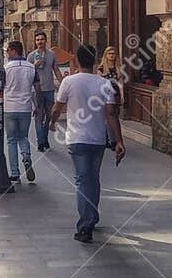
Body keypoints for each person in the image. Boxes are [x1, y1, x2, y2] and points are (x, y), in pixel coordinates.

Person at [51, 43, 124, 242]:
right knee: (93, 178)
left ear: (78, 60)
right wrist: (118, 141)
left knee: (83, 180)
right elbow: (111, 114)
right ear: (94, 60)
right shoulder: (104, 84)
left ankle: (85, 226)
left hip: (76, 139)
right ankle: (92, 216)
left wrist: (51, 122)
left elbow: (58, 108)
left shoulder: (69, 82)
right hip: (97, 139)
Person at [2, 39, 37, 184]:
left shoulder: (7, 68)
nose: (7, 53)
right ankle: (27, 157)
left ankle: (15, 172)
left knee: (11, 140)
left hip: (10, 107)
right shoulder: (31, 68)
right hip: (25, 107)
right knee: (23, 137)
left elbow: (0, 85)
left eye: (8, 51)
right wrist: (38, 106)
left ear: (14, 51)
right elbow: (37, 88)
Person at [29, 29, 64, 153]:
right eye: (38, 40)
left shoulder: (51, 55)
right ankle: (40, 142)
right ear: (35, 41)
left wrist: (63, 83)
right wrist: (34, 65)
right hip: (36, 90)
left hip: (49, 89)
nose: (40, 42)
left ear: (46, 41)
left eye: (42, 39)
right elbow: (27, 73)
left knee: (49, 115)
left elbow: (56, 69)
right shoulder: (31, 56)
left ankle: (44, 137)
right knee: (39, 116)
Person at [98, 44, 125, 146]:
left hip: (115, 94)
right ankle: (110, 139)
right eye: (109, 54)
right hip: (105, 95)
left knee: (114, 116)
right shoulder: (101, 69)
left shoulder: (118, 68)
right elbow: (99, 83)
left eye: (113, 54)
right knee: (107, 117)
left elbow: (121, 83)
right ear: (106, 55)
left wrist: (122, 95)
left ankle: (112, 138)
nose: (112, 55)